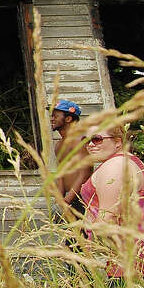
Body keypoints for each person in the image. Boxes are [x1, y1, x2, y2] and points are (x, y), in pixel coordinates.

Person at [81, 125, 144, 288]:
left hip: (127, 263)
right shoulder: (132, 162)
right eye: (86, 140)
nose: (90, 145)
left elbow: (107, 220)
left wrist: (93, 256)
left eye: (97, 139)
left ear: (117, 142)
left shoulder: (114, 166)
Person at [51, 100, 91, 233]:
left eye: (55, 116)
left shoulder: (80, 140)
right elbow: (61, 174)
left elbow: (85, 174)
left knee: (82, 240)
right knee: (70, 239)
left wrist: (67, 200)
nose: (52, 119)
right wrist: (59, 201)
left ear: (68, 119)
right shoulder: (59, 145)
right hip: (70, 199)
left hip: (82, 199)